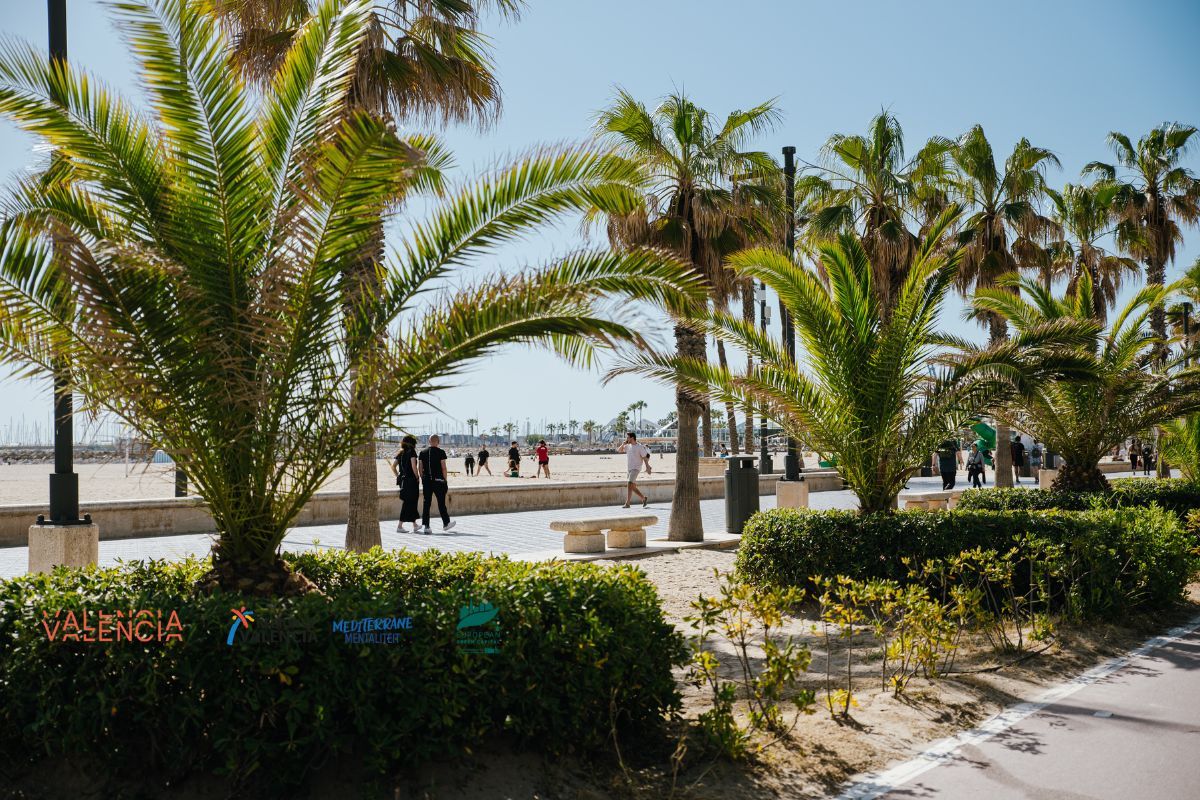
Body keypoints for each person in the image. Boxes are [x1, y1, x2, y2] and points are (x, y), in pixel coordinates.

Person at [419, 434, 455, 533]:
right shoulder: (441, 452)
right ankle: (446, 523)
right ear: (438, 442)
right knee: (441, 503)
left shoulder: (422, 452)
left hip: (427, 481)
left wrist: (423, 478)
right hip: (438, 481)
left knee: (427, 503)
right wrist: (445, 480)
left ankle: (426, 526)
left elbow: (420, 468)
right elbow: (443, 467)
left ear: (429, 441)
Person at [389, 435, 420, 533]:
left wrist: (398, 475)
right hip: (411, 480)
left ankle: (414, 525)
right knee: (409, 502)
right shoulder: (412, 452)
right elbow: (413, 465)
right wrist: (417, 477)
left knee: (410, 502)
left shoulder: (401, 453)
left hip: (403, 481)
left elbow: (393, 466)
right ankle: (400, 526)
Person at [617, 431, 652, 508]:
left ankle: (627, 503)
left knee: (629, 483)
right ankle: (643, 498)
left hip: (636, 468)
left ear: (632, 438)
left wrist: (647, 467)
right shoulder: (628, 446)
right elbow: (619, 450)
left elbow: (644, 457)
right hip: (629, 468)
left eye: (628, 437)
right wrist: (623, 444)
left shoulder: (639, 447)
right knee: (632, 486)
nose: (627, 439)